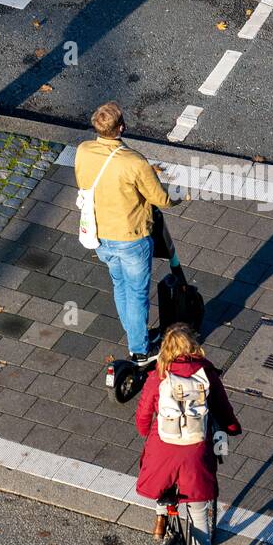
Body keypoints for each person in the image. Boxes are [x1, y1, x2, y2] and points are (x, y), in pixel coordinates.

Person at [134, 323, 241, 545]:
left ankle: (161, 517)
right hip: (195, 452)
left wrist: (148, 431)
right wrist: (232, 427)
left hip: (164, 450)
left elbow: (143, 416)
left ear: (166, 350)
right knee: (198, 512)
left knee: (159, 471)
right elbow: (223, 410)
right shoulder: (206, 374)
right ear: (193, 346)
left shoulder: (158, 376)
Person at [74, 102, 174, 362]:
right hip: (130, 237)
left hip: (99, 235)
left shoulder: (84, 150)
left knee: (120, 284)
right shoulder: (133, 161)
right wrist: (176, 199)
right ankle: (140, 350)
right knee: (138, 292)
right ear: (121, 127)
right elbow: (160, 198)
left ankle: (135, 334)